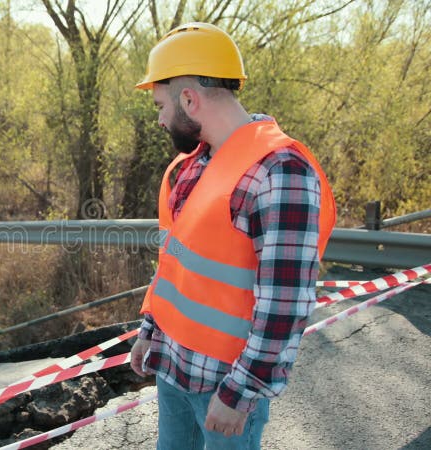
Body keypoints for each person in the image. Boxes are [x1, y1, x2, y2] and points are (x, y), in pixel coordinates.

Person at [129, 22, 337, 449]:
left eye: (161, 106)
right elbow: (175, 262)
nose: (160, 120)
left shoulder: (280, 172)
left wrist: (241, 392)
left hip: (223, 387)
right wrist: (150, 329)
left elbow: (285, 303)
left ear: (190, 99)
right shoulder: (192, 166)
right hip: (173, 368)